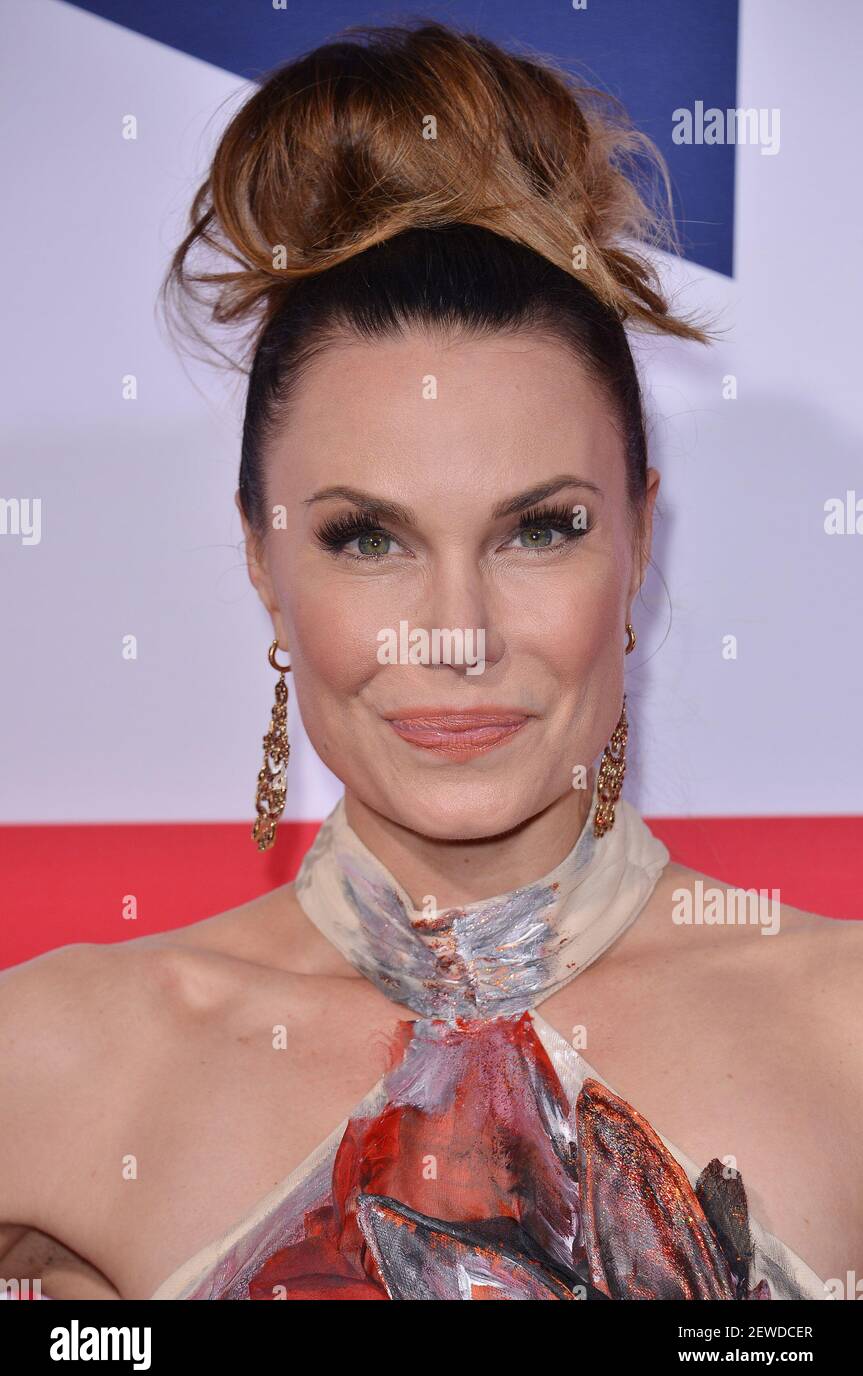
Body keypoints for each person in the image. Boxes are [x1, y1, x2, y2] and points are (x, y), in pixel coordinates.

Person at [1, 21, 860, 1301]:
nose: (453, 630)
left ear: (636, 543)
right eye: (366, 537)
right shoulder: (54, 1062)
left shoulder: (842, 1031)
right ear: (259, 561)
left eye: (539, 528)